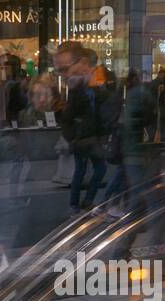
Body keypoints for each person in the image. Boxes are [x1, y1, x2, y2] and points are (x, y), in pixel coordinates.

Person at [54, 41, 114, 214]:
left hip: (89, 135)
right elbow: (71, 114)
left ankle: (80, 203)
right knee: (89, 169)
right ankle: (80, 202)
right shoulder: (78, 86)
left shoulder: (93, 84)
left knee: (86, 170)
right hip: (85, 136)